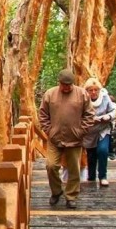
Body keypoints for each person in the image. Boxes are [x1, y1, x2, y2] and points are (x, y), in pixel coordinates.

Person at [39, 69, 95, 209]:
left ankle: (71, 196)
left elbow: (89, 114)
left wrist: (81, 131)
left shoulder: (82, 94)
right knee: (51, 166)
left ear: (73, 83)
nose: (66, 87)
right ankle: (56, 191)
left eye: (69, 85)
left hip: (75, 139)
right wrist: (49, 130)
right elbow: (43, 114)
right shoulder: (50, 94)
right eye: (64, 85)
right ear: (59, 83)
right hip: (55, 138)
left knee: (74, 168)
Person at [82, 78, 116, 188]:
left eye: (95, 90)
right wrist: (91, 119)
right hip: (89, 132)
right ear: (87, 91)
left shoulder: (105, 97)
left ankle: (103, 176)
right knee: (91, 155)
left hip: (103, 130)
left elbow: (114, 110)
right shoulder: (83, 99)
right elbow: (78, 115)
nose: (93, 92)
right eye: (90, 90)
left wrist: (108, 117)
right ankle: (91, 177)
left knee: (102, 150)